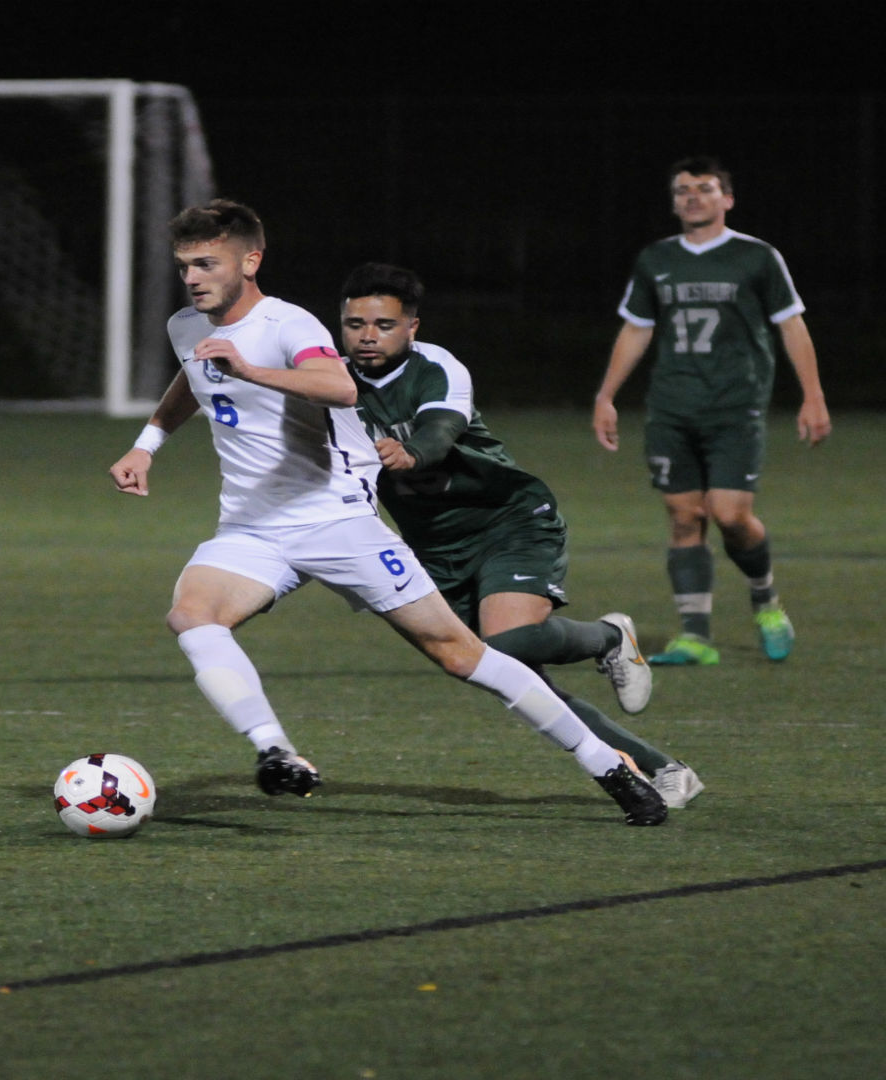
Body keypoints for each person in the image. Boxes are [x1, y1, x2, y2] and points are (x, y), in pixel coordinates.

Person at [109, 200, 669, 825]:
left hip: (338, 521)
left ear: (250, 260)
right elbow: (195, 376)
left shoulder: (288, 325)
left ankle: (609, 765)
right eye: (185, 265)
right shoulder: (186, 325)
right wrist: (147, 443)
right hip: (251, 529)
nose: (192, 277)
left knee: (462, 655)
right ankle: (276, 752)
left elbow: (339, 387)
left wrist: (249, 368)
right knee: (192, 616)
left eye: (206, 263)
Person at [341, 262, 703, 808]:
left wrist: (412, 450)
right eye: (354, 324)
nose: (367, 335)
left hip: (506, 520)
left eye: (383, 324)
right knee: (513, 681)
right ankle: (663, 768)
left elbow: (440, 430)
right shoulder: (328, 385)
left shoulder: (437, 367)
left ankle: (607, 638)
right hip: (432, 550)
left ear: (412, 326)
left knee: (503, 645)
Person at [592, 155, 831, 666]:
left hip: (734, 406)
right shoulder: (656, 259)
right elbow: (637, 327)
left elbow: (792, 325)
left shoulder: (757, 257)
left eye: (704, 188)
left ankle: (765, 599)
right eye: (682, 190)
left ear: (727, 198)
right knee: (683, 516)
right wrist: (606, 395)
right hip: (672, 408)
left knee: (730, 516)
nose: (692, 197)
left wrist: (812, 395)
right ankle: (695, 636)